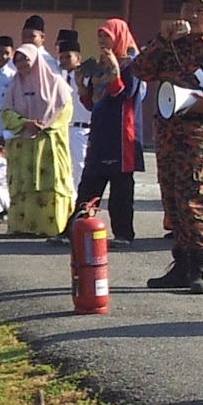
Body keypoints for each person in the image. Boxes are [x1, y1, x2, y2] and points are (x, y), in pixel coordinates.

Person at [131, 0, 203, 291]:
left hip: (200, 133)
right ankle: (181, 264)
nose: (193, 16)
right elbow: (139, 70)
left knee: (192, 197)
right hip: (169, 133)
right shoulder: (172, 44)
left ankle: (199, 266)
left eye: (200, 10)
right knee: (171, 198)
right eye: (187, 9)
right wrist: (162, 41)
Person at [57, 25, 143, 247]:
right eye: (100, 35)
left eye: (107, 35)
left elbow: (125, 94)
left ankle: (124, 234)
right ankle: (72, 230)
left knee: (121, 189)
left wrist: (115, 71)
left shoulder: (132, 65)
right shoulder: (99, 65)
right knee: (89, 184)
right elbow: (93, 103)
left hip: (122, 136)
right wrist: (81, 87)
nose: (103, 40)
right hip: (100, 132)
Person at [0, 44, 75, 237]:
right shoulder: (14, 85)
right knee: (23, 184)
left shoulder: (55, 82)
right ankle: (22, 226)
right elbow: (6, 113)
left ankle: (52, 226)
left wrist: (45, 125)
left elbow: (65, 109)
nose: (21, 64)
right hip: (22, 143)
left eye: (25, 59)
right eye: (17, 60)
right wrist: (25, 123)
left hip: (48, 143)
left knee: (51, 183)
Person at [58, 33, 91, 184]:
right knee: (61, 166)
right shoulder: (58, 77)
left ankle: (79, 201)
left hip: (81, 129)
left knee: (79, 167)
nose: (64, 61)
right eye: (61, 57)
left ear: (78, 58)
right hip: (62, 128)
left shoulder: (87, 76)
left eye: (68, 57)